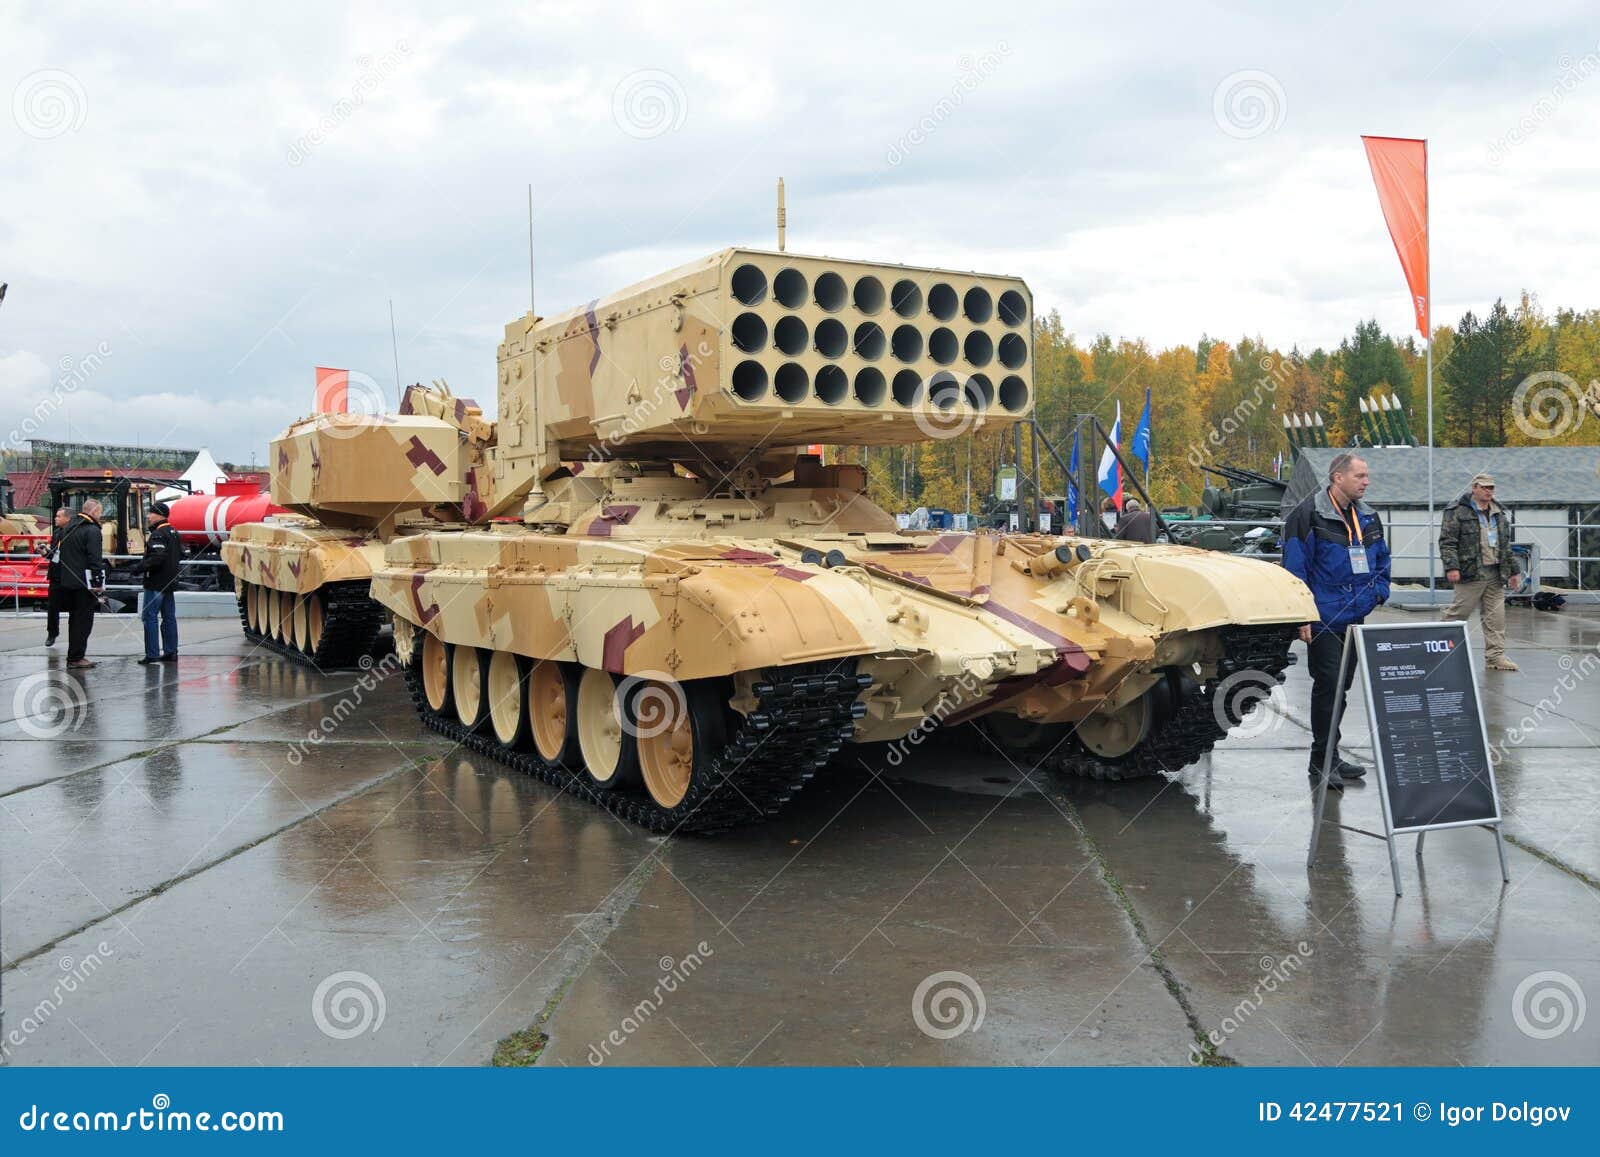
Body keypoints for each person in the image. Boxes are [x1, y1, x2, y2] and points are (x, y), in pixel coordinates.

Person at [1281, 453, 1391, 790]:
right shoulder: (1307, 516)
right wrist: (1302, 615)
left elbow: (1382, 560)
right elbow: (1294, 570)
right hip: (1324, 619)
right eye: (1359, 475)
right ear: (1337, 477)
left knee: (1341, 689)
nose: (1366, 481)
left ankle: (1331, 753)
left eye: (1366, 475)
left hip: (1356, 617)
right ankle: (1321, 762)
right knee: (1328, 687)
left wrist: (1379, 593)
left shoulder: (1369, 517)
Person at [1440, 473, 1520, 672]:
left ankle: (1495, 657)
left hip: (1496, 571)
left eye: (1491, 488)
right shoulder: (1457, 511)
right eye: (1484, 487)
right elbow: (1447, 542)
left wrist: (1514, 571)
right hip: (1471, 572)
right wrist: (1452, 566)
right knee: (1459, 614)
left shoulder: (1498, 513)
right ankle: (1438, 649)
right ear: (1474, 488)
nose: (1488, 491)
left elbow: (1505, 544)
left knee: (1496, 617)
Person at [56, 499, 105, 668]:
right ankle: (77, 657)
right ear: (95, 512)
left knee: (74, 620)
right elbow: (95, 558)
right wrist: (98, 581)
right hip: (84, 583)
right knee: (83, 622)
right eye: (100, 512)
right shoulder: (92, 530)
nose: (101, 516)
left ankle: (73, 655)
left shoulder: (68, 529)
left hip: (68, 582)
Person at [134, 501, 182, 664]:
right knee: (169, 617)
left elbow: (156, 557)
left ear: (159, 515)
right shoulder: (174, 532)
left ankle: (152, 653)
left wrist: (138, 568)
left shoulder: (158, 534)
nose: (148, 516)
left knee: (150, 616)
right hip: (170, 581)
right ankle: (171, 651)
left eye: (151, 513)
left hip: (156, 582)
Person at [44, 506, 70, 647]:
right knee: (52, 606)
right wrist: (45, 553)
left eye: (59, 516)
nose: (56, 518)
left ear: (67, 518)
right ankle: (52, 633)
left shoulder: (73, 533)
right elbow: (55, 554)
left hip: (69, 575)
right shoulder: (57, 533)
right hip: (55, 574)